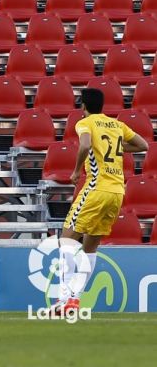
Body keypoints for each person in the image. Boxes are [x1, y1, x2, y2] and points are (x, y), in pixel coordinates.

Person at [54, 88, 149, 315]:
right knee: (90, 248)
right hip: (117, 191)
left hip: (96, 187)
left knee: (66, 240)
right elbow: (144, 145)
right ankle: (75, 299)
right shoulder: (116, 125)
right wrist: (116, 148)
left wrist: (77, 171)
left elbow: (85, 145)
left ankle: (62, 298)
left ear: (83, 106)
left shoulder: (84, 123)